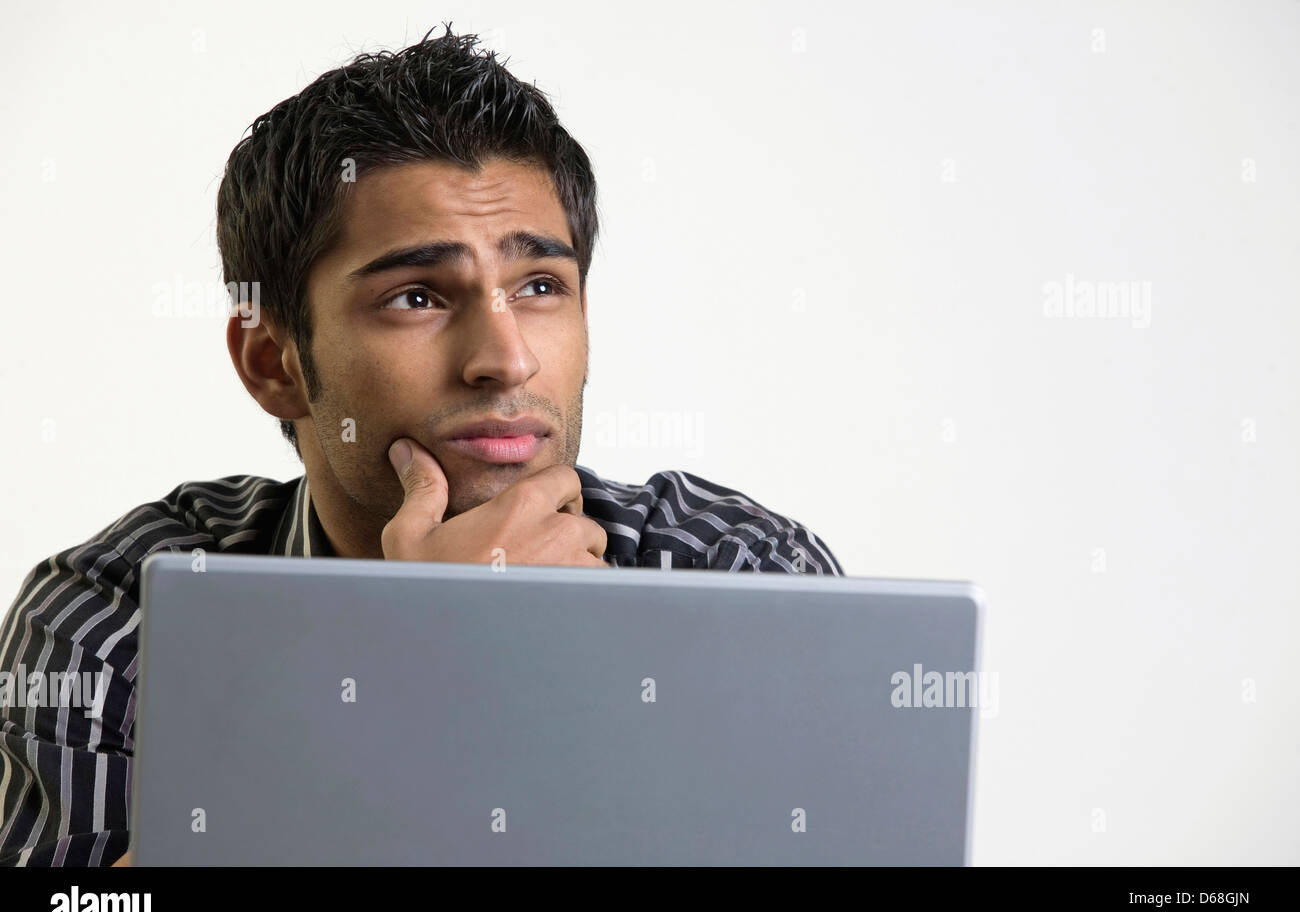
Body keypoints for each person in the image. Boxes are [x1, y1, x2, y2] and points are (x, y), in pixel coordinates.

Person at [0, 24, 842, 867]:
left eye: (541, 286)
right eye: (416, 297)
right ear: (273, 362)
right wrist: (410, 670)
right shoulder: (116, 623)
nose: (506, 358)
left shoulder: (741, 577)